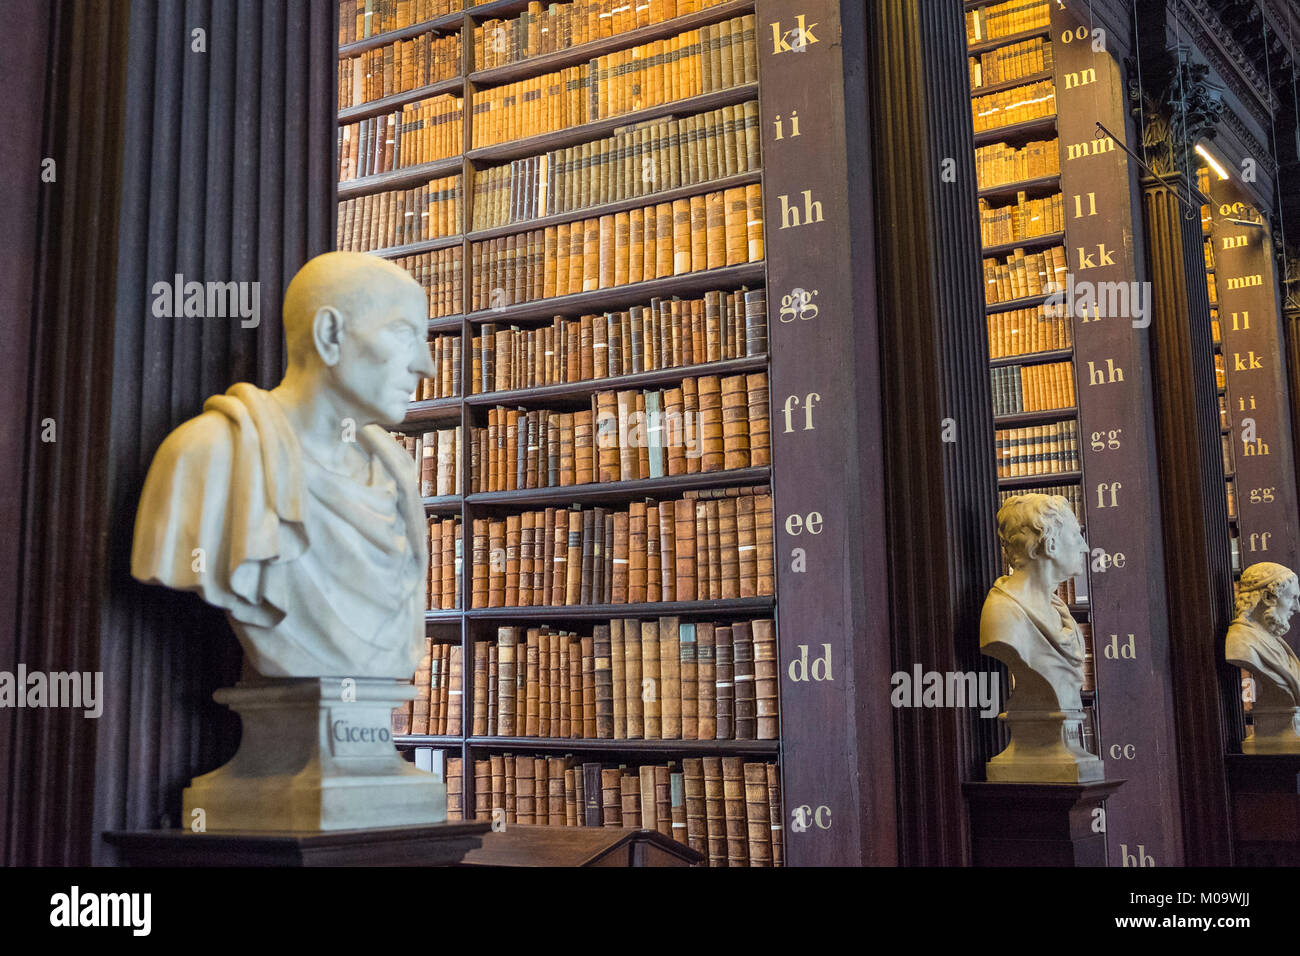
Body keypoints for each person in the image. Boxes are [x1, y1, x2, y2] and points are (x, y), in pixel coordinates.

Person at [131, 251, 437, 679]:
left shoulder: (396, 477)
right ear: (330, 334)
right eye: (405, 335)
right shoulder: (206, 456)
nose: (427, 366)